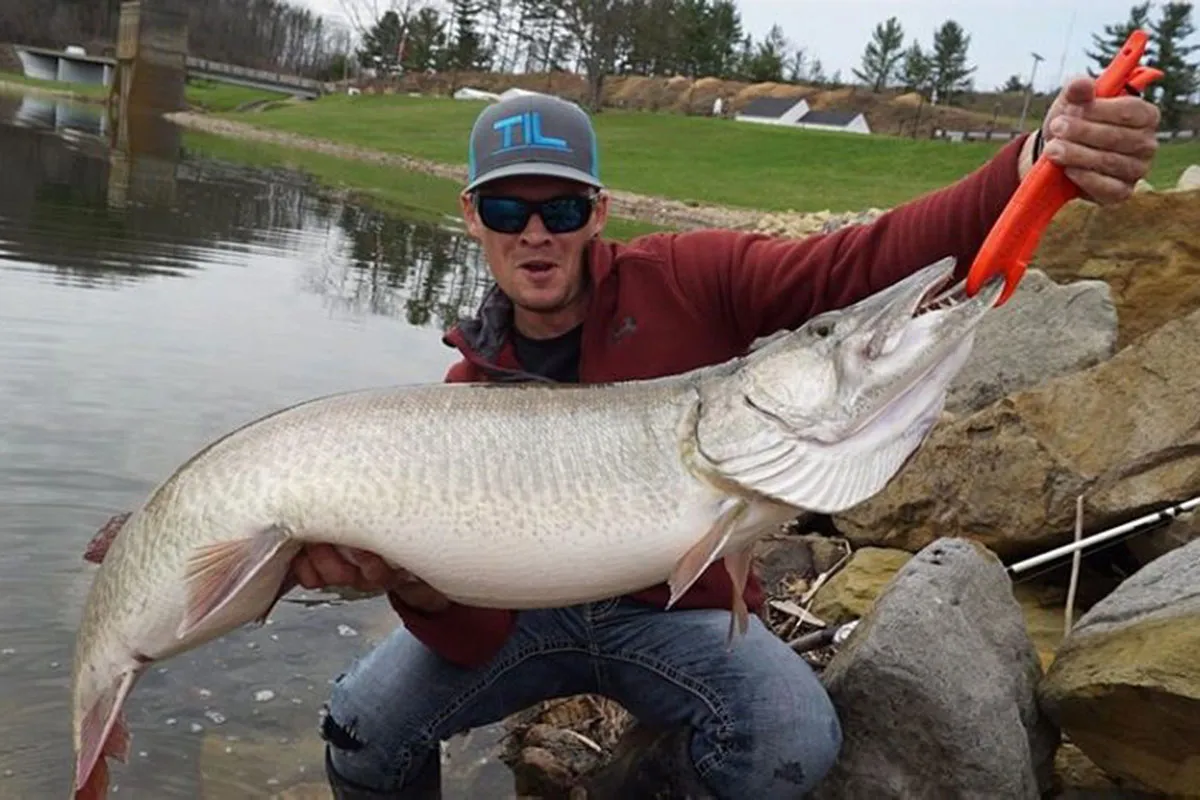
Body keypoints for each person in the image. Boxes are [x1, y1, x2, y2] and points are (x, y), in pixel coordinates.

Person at [292, 81, 1161, 799]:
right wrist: (418, 587)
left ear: (597, 212)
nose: (535, 231)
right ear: (472, 217)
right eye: (507, 206)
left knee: (787, 735)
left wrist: (1026, 164)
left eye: (559, 205)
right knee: (363, 729)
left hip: (670, 619)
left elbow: (857, 264)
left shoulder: (693, 278)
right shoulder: (465, 398)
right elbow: (472, 638)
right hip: (523, 622)